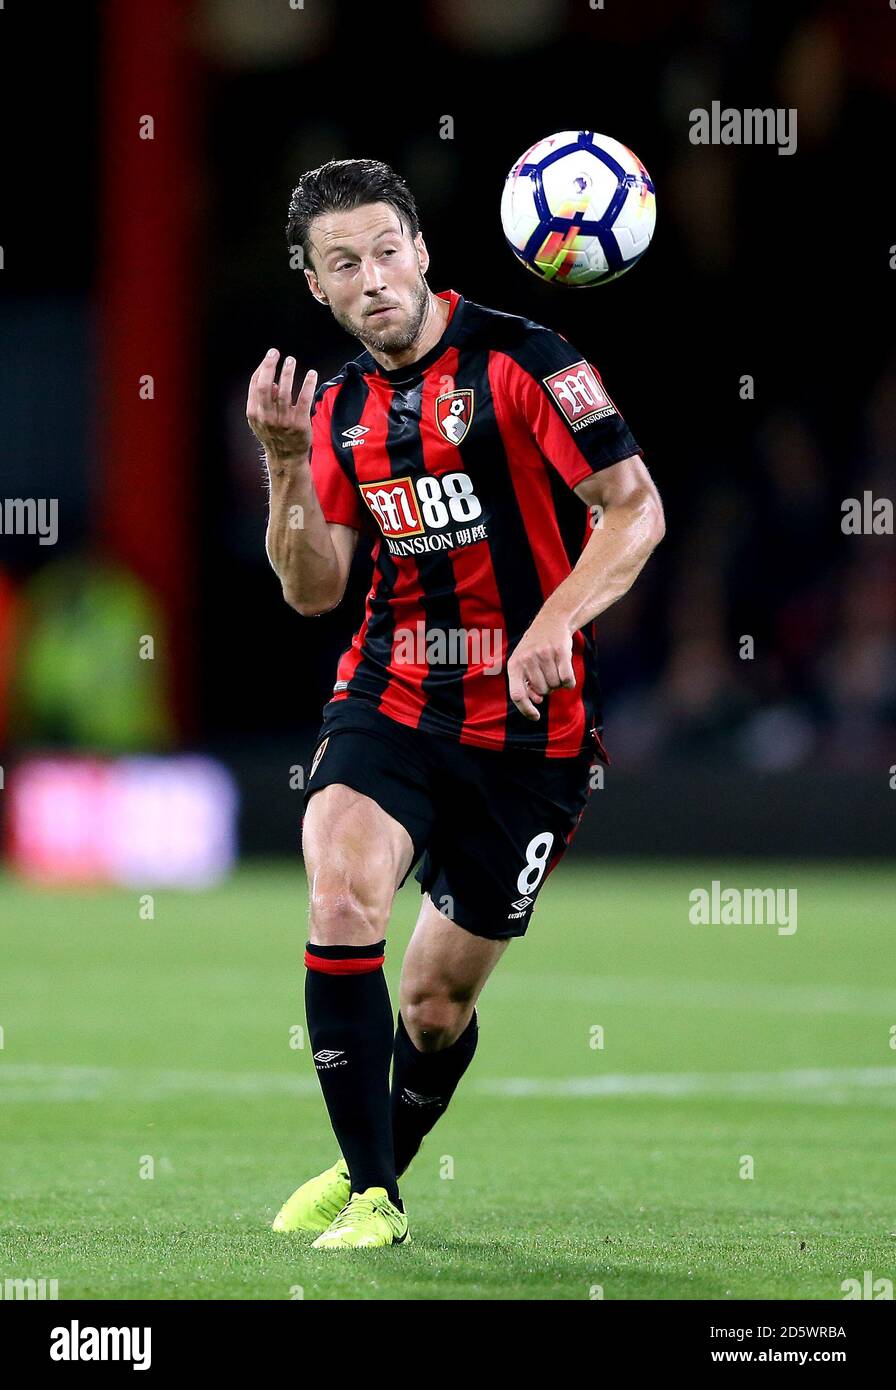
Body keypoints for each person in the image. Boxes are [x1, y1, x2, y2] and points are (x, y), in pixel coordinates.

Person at [246, 158, 665, 1249]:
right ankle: (377, 1198)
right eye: (345, 263)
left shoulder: (526, 360)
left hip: (529, 735)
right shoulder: (334, 410)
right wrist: (285, 469)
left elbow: (631, 510)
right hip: (389, 697)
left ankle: (370, 1160)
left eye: (388, 250)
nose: (373, 277)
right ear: (316, 286)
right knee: (340, 896)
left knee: (432, 1007)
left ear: (422, 250)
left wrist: (551, 622)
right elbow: (313, 590)